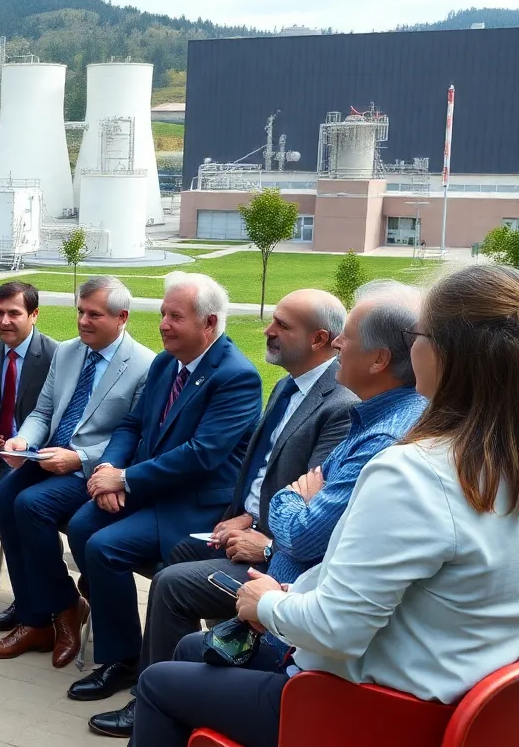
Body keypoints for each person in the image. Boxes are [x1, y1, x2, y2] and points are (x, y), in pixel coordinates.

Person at [130, 265, 519, 747]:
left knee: (158, 684)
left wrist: (268, 601)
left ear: (444, 353)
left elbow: (337, 628)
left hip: (365, 708)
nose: (337, 345)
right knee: (192, 647)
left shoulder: (410, 469)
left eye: (419, 334)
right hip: (458, 698)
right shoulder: (492, 457)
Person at [95, 286, 427, 737]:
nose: (266, 330)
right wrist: (253, 515)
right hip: (271, 562)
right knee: (176, 563)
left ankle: (167, 690)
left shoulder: (360, 420)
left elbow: (309, 530)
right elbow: (277, 477)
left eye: (283, 325)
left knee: (167, 585)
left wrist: (274, 527)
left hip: (288, 583)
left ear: (377, 358)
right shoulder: (299, 389)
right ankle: (207, 664)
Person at [66, 271, 262, 703]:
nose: (163, 325)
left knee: (104, 549)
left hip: (189, 505)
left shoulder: (236, 376)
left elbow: (201, 454)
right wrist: (112, 468)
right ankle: (121, 632)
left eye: (176, 316)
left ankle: (126, 661)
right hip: (145, 489)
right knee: (81, 526)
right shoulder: (165, 362)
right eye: (162, 314)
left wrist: (127, 479)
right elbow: (132, 423)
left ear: (209, 324)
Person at [0, 276, 154, 667]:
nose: (83, 321)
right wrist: (23, 441)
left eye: (95, 314)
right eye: (80, 311)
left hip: (91, 469)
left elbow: (137, 438)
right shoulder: (69, 352)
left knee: (31, 505)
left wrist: (80, 459)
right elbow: (42, 412)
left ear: (122, 317)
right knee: (4, 496)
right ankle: (38, 613)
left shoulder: (145, 365)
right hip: (47, 456)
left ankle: (61, 610)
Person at [0, 282, 59, 632]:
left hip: (37, 460)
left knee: (26, 521)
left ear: (34, 314)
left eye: (14, 313)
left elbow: (60, 415)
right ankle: (27, 599)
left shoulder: (57, 356)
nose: (4, 321)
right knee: (8, 524)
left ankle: (49, 603)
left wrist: (26, 446)